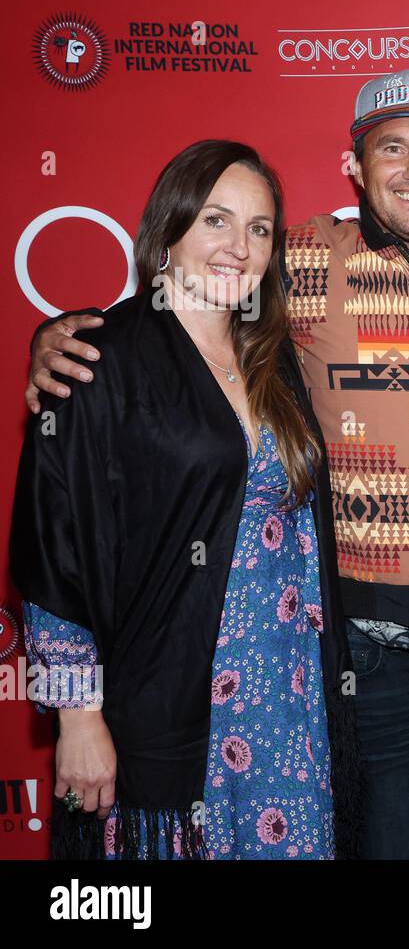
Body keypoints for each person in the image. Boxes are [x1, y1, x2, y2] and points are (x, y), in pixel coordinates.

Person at [24, 71, 409, 859]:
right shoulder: (298, 264)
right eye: (391, 148)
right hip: (361, 650)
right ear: (354, 166)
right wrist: (57, 340)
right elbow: (67, 517)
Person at [11, 140, 362, 859]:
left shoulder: (272, 358)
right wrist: (78, 718)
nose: (239, 247)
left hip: (288, 695)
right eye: (216, 221)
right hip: (169, 693)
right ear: (168, 229)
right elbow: (56, 544)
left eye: (259, 229)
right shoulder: (99, 356)